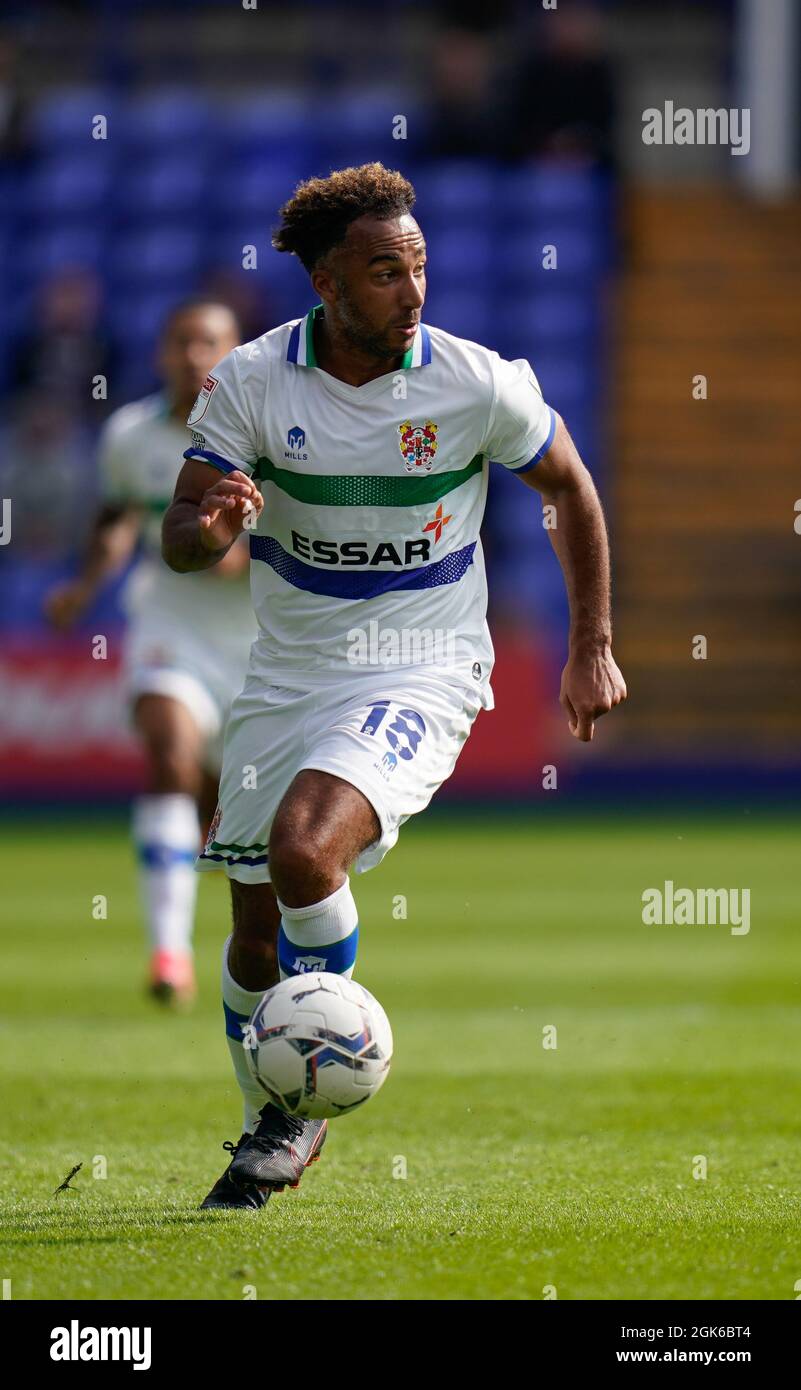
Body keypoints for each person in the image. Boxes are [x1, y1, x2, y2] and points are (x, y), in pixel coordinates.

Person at [161, 163, 626, 1209]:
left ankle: (303, 1106)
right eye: (385, 272)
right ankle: (262, 1124)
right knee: (249, 937)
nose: (413, 290)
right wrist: (213, 527)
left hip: (422, 663)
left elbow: (572, 488)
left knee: (302, 851)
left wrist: (590, 644)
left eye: (419, 266)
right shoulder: (250, 382)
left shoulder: (475, 382)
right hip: (287, 673)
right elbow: (180, 536)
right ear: (329, 284)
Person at [46, 299, 257, 1007]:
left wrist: (238, 548)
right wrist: (83, 587)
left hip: (258, 645)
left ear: (234, 353)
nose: (195, 355)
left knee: (237, 817)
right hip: (170, 627)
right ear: (162, 352)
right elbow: (116, 518)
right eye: (182, 342)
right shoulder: (131, 435)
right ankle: (168, 955)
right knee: (167, 751)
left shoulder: (270, 432)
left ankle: (257, 949)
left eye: (210, 343)